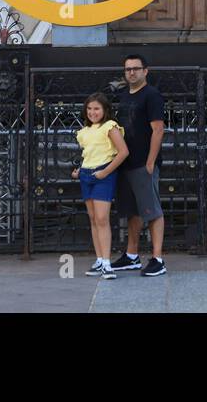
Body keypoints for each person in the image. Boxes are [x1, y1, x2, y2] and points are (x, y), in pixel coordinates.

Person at [108, 54, 167, 276]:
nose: (131, 72)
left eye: (136, 68)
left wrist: (151, 161)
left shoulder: (151, 96)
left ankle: (158, 259)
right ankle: (132, 256)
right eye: (128, 69)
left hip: (144, 163)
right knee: (133, 211)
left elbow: (158, 129)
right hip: (126, 163)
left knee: (152, 210)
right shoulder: (124, 95)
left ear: (146, 71)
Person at [72, 92, 128, 279]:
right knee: (94, 218)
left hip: (104, 174)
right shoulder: (84, 132)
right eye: (89, 108)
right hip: (86, 174)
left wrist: (105, 172)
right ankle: (99, 260)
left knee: (102, 218)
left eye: (96, 108)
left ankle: (107, 263)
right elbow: (89, 154)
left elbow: (123, 152)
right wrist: (79, 170)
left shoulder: (110, 127)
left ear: (105, 110)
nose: (92, 112)